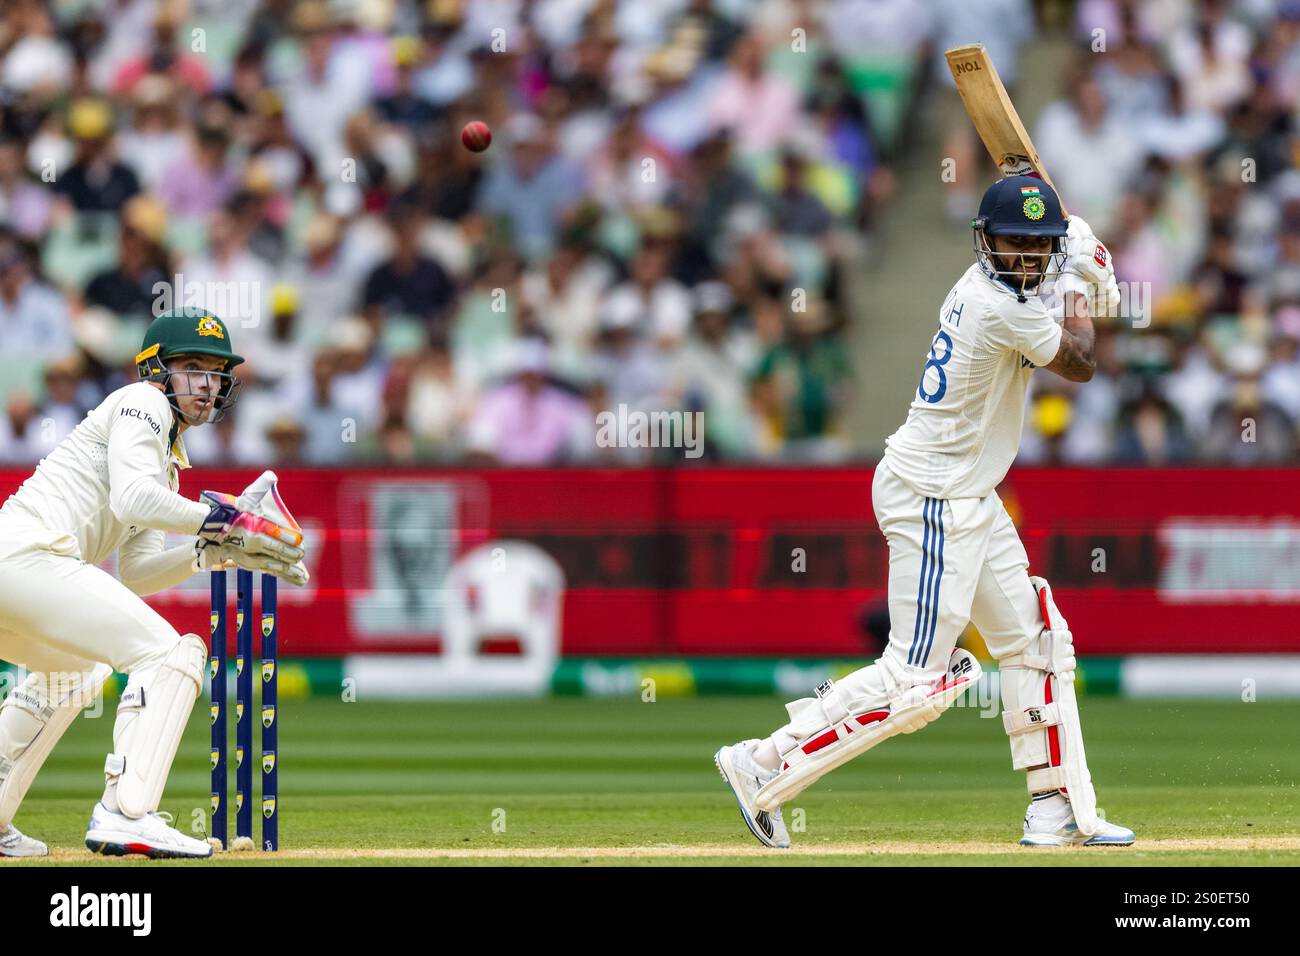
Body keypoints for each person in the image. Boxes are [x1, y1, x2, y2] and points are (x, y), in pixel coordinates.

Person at [715, 177, 1136, 849]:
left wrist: (1077, 268)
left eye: (1037, 246)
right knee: (917, 681)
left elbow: (1076, 320)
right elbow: (1082, 360)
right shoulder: (996, 304)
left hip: (969, 492)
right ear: (984, 243)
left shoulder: (1013, 293)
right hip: (935, 497)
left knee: (1036, 640)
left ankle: (1057, 808)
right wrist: (1080, 273)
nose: (1025, 258)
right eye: (1013, 244)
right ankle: (764, 763)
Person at [0, 308, 307, 859]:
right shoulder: (141, 403)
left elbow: (137, 571)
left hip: (17, 570)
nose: (206, 385)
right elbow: (131, 500)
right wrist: (226, 520)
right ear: (155, 371)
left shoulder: (165, 459)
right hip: (26, 556)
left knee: (76, 671)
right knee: (170, 654)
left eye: (215, 372)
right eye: (191, 367)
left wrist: (209, 550)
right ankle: (126, 813)